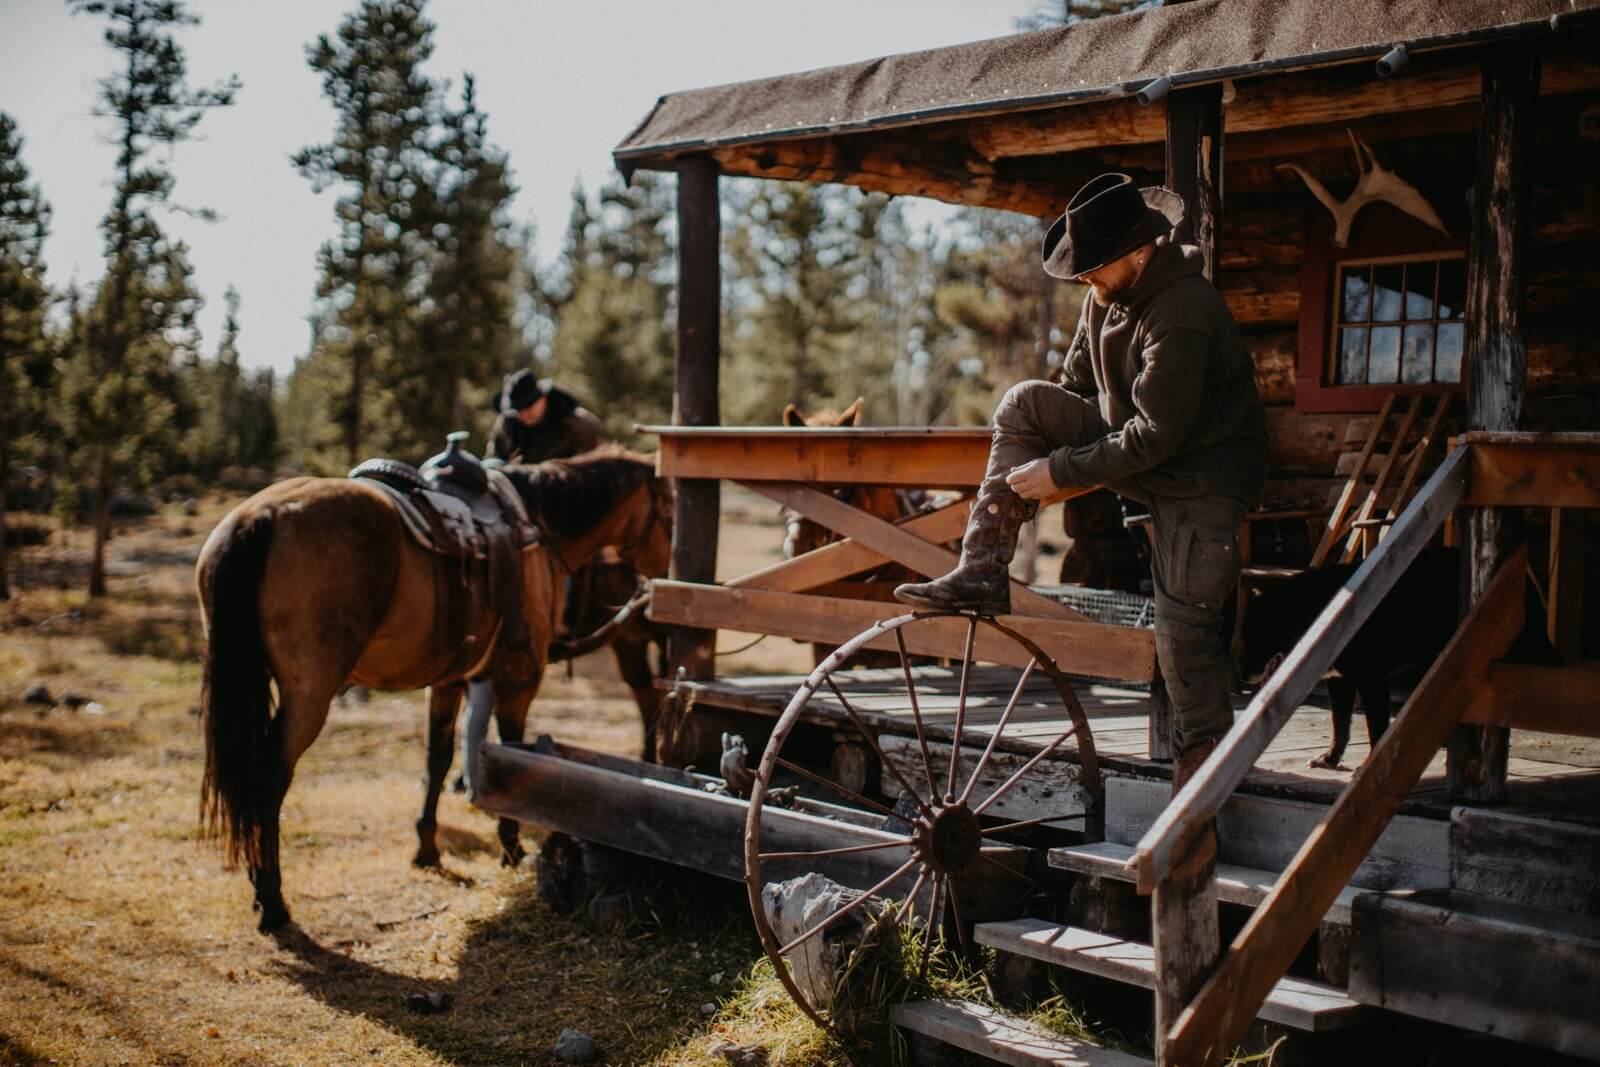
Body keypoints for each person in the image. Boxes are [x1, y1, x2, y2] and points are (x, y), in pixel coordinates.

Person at [895, 173, 1267, 788]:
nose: (1085, 281)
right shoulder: (1105, 296)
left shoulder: (1184, 313)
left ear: (1140, 250)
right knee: (1024, 403)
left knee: (1185, 641)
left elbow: (1157, 435)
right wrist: (1047, 465)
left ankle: (1202, 793)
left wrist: (1061, 473)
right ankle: (983, 568)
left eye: (1093, 268)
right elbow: (1069, 393)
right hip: (1144, 450)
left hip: (1202, 479)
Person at [487, 368, 605, 463]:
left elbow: (598, 469)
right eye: (518, 410)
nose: (523, 413)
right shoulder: (506, 426)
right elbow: (493, 459)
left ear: (543, 397)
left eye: (528, 406)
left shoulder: (580, 424)